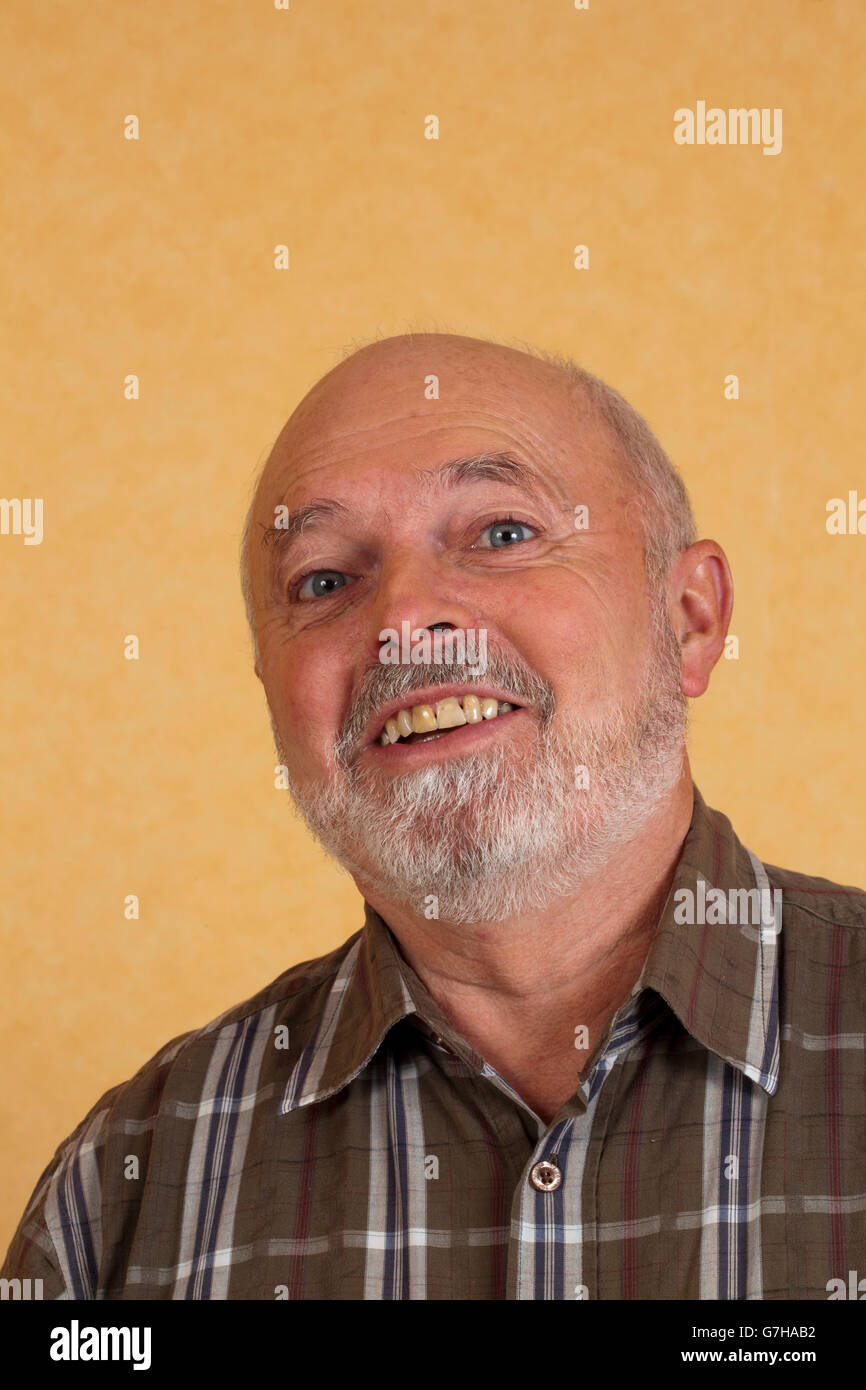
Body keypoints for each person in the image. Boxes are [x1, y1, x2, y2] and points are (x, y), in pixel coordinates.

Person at [3, 332, 864, 1300]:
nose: (405, 618)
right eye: (324, 580)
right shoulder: (124, 1190)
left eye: (500, 533)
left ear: (689, 617)